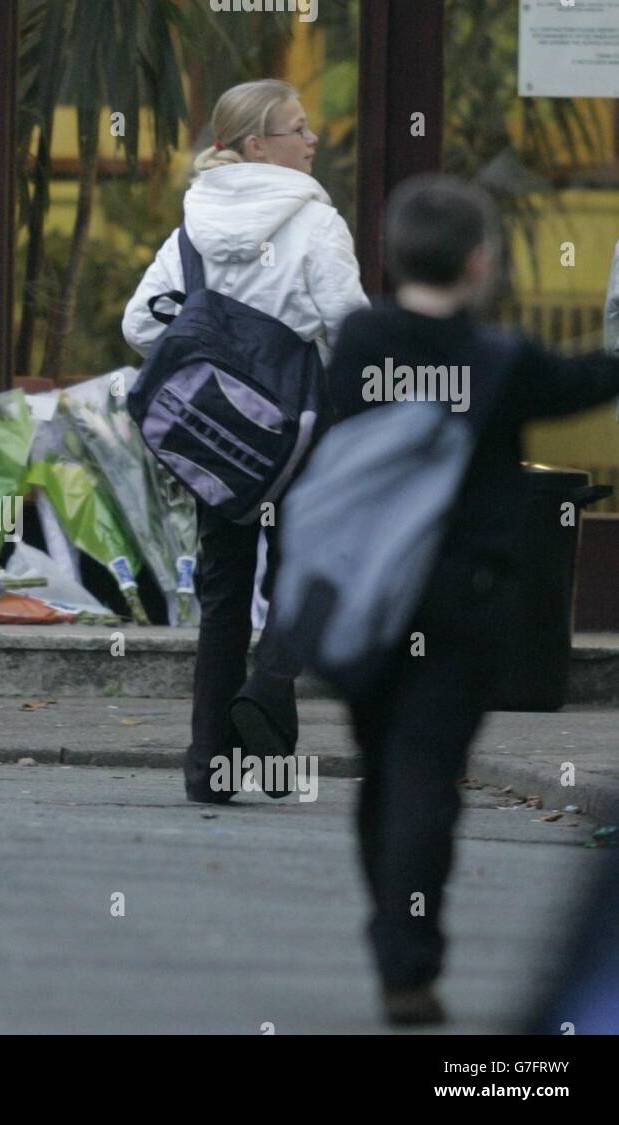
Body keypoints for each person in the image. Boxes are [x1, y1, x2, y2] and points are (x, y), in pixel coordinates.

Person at [326, 174, 619, 1025]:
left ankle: (395, 936)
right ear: (481, 261)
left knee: (384, 767)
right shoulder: (503, 364)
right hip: (463, 607)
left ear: (390, 254)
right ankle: (407, 959)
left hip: (366, 601)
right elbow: (593, 377)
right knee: (427, 770)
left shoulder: (358, 343)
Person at [122, 79, 368, 803]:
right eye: (299, 127)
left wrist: (208, 355)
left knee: (223, 592)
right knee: (302, 572)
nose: (313, 138)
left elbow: (140, 325)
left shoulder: (191, 227)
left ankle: (209, 763)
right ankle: (268, 689)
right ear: (258, 143)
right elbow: (353, 328)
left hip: (217, 448)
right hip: (297, 439)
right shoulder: (316, 224)